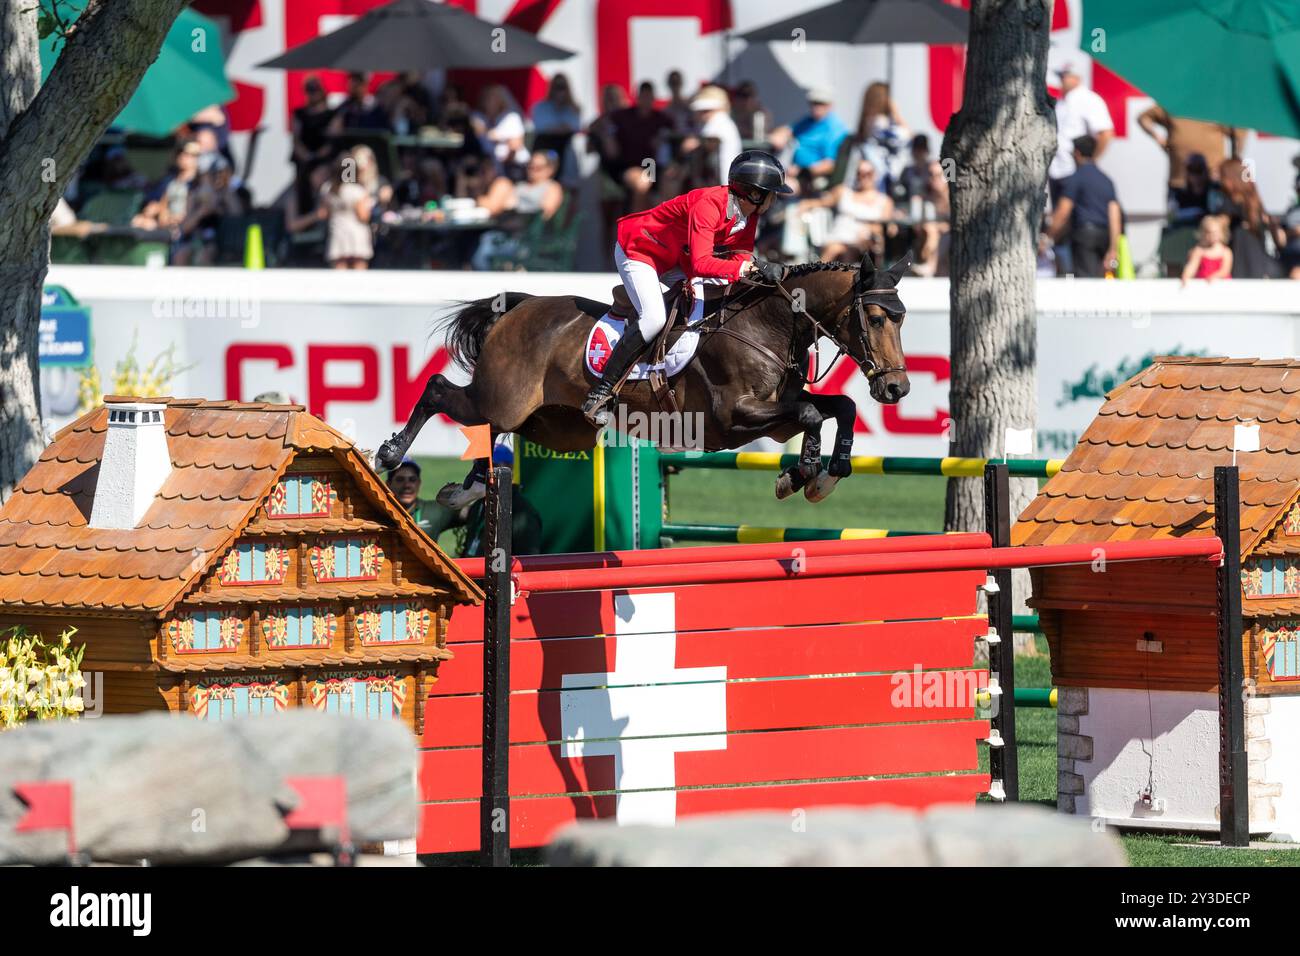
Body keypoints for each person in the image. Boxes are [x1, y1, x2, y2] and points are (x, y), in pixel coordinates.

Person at [580, 149, 793, 426]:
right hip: (640, 249)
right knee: (654, 317)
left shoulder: (748, 214)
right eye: (770, 193)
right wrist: (746, 268)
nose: (774, 199)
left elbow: (740, 257)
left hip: (678, 257)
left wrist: (753, 272)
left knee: (710, 298)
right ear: (752, 193)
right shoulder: (709, 204)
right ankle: (602, 391)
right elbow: (705, 262)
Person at [1047, 135, 1121, 278]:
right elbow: (1114, 214)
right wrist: (1113, 248)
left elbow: (1063, 212)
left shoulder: (1075, 178)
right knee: (1101, 278)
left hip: (1084, 237)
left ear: (1077, 153)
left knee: (1086, 281)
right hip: (1104, 235)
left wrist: (1048, 235)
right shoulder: (1106, 180)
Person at [804, 158, 894, 262]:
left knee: (843, 250)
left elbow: (884, 226)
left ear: (875, 175)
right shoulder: (843, 191)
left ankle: (819, 275)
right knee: (837, 249)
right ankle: (821, 275)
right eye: (860, 173)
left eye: (868, 173)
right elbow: (822, 202)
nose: (864, 177)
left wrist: (868, 231)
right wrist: (804, 204)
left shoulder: (885, 201)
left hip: (863, 241)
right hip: (838, 237)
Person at [1138, 103, 1241, 193]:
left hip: (1212, 181)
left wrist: (1230, 166)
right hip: (1179, 181)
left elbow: (1239, 132)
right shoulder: (1174, 104)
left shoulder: (1217, 106)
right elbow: (1143, 118)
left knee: (1213, 214)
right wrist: (1158, 138)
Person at [1048, 62, 1113, 200]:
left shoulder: (1089, 99)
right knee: (1060, 216)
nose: (1061, 80)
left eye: (1064, 76)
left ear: (1076, 77)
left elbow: (1106, 133)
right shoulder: (1061, 101)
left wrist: (1090, 162)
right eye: (1060, 76)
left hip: (1075, 170)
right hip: (1056, 169)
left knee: (1074, 216)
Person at [1219, 157, 1278, 278]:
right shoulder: (1255, 202)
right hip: (1260, 265)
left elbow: (1219, 226)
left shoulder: (1231, 203)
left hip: (1240, 264)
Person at [774, 89, 849, 185]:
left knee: (780, 185)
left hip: (813, 178)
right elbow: (788, 130)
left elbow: (830, 164)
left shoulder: (835, 129)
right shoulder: (808, 120)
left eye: (821, 103)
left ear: (830, 105)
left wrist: (801, 171)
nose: (816, 107)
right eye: (814, 103)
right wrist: (778, 136)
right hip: (790, 170)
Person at [320, 152, 374, 269]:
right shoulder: (357, 191)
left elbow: (324, 214)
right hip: (357, 234)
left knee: (340, 270)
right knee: (359, 268)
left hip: (337, 233)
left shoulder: (327, 189)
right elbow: (363, 216)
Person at [291, 75, 337, 212]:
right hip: (305, 161)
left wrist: (320, 155)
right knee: (303, 188)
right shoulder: (300, 114)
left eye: (315, 90)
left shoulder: (331, 115)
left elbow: (334, 139)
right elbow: (296, 139)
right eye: (310, 90)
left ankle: (324, 211)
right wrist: (307, 155)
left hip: (325, 160)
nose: (313, 94)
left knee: (319, 181)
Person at [686, 85, 742, 186]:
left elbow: (696, 144)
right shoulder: (708, 123)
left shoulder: (720, 119)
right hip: (719, 183)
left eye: (707, 110)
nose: (702, 114)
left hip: (724, 185)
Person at [1181, 215, 1233, 285]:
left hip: (1221, 286)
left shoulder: (1226, 252)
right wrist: (1186, 276)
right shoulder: (1199, 251)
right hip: (1203, 286)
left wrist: (1214, 276)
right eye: (1209, 233)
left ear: (1221, 232)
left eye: (1215, 232)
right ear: (1203, 233)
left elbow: (1225, 270)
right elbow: (1192, 266)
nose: (1212, 236)